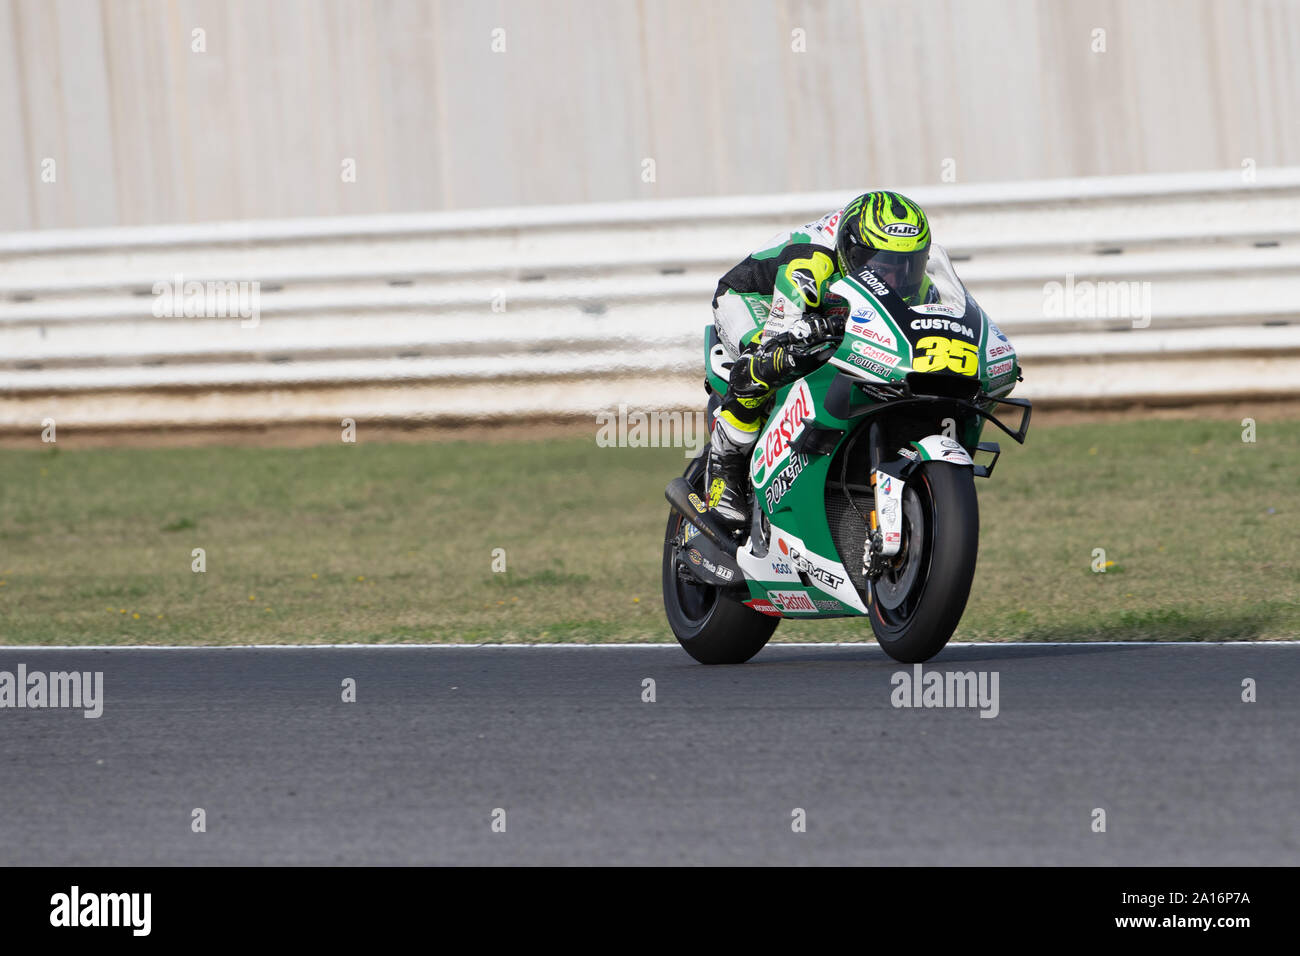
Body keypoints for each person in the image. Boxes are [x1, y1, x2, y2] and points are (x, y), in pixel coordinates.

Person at [705, 190, 935, 529]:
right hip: (756, 301)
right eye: (882, 266)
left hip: (828, 309)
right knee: (771, 363)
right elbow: (778, 337)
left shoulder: (920, 283)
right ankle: (724, 465)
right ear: (850, 252)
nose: (895, 279)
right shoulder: (809, 265)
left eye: (907, 266)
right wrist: (807, 332)